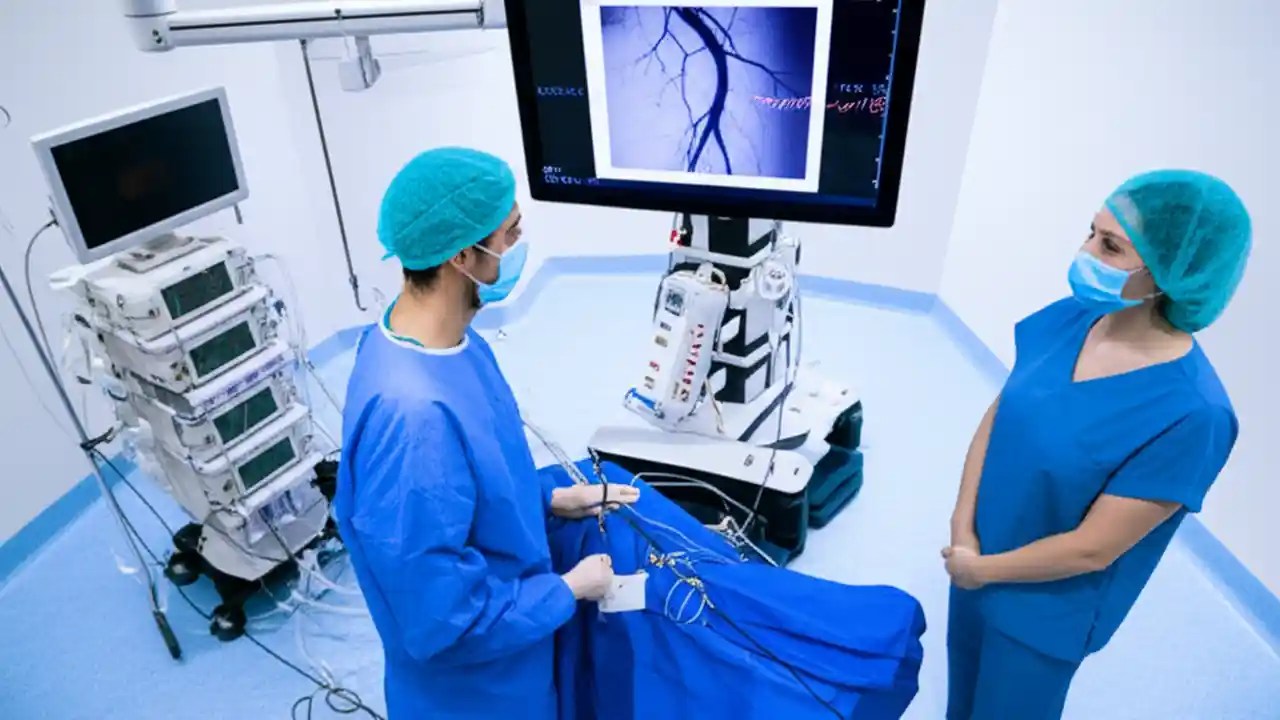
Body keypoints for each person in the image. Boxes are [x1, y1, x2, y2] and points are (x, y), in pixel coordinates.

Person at [334, 147, 640, 719]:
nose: (518, 245)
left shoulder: (445, 341)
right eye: (510, 232)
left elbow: (472, 482)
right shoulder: (412, 418)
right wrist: (568, 588)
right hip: (475, 692)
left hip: (513, 654)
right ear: (460, 256)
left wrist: (546, 499)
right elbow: (440, 616)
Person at [941, 169, 1252, 720]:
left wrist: (982, 570)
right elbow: (1002, 413)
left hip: (1043, 612)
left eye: (1109, 245)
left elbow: (1094, 548)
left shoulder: (1193, 414)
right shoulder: (1072, 319)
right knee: (960, 704)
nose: (1084, 253)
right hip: (973, 563)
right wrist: (963, 531)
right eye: (1090, 232)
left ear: (1174, 274)